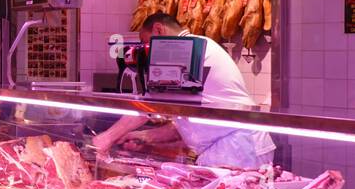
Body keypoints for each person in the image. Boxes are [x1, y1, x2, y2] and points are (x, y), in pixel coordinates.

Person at [91, 11, 274, 168]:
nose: (148, 51)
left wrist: (107, 137)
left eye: (147, 43)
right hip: (239, 146)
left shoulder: (183, 49)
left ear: (158, 30)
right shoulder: (197, 46)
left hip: (239, 148)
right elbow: (184, 120)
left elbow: (150, 106)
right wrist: (144, 136)